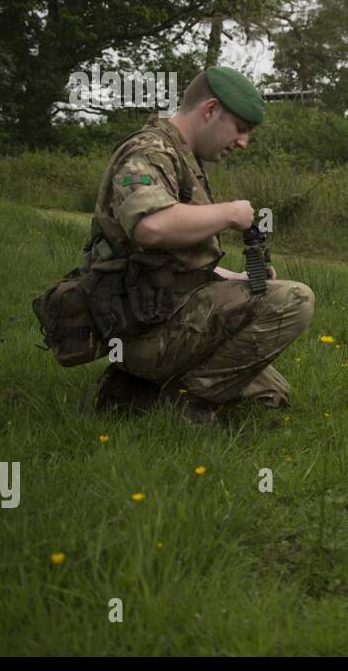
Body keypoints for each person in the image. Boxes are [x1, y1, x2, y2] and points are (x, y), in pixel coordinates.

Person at [88, 66, 314, 424]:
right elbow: (150, 227)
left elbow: (174, 261)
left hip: (165, 315)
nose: (243, 142)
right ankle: (187, 403)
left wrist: (232, 278)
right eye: (240, 129)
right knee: (294, 300)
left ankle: (137, 390)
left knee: (270, 391)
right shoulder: (149, 151)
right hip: (144, 328)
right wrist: (229, 213)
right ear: (210, 110)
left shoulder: (183, 159)